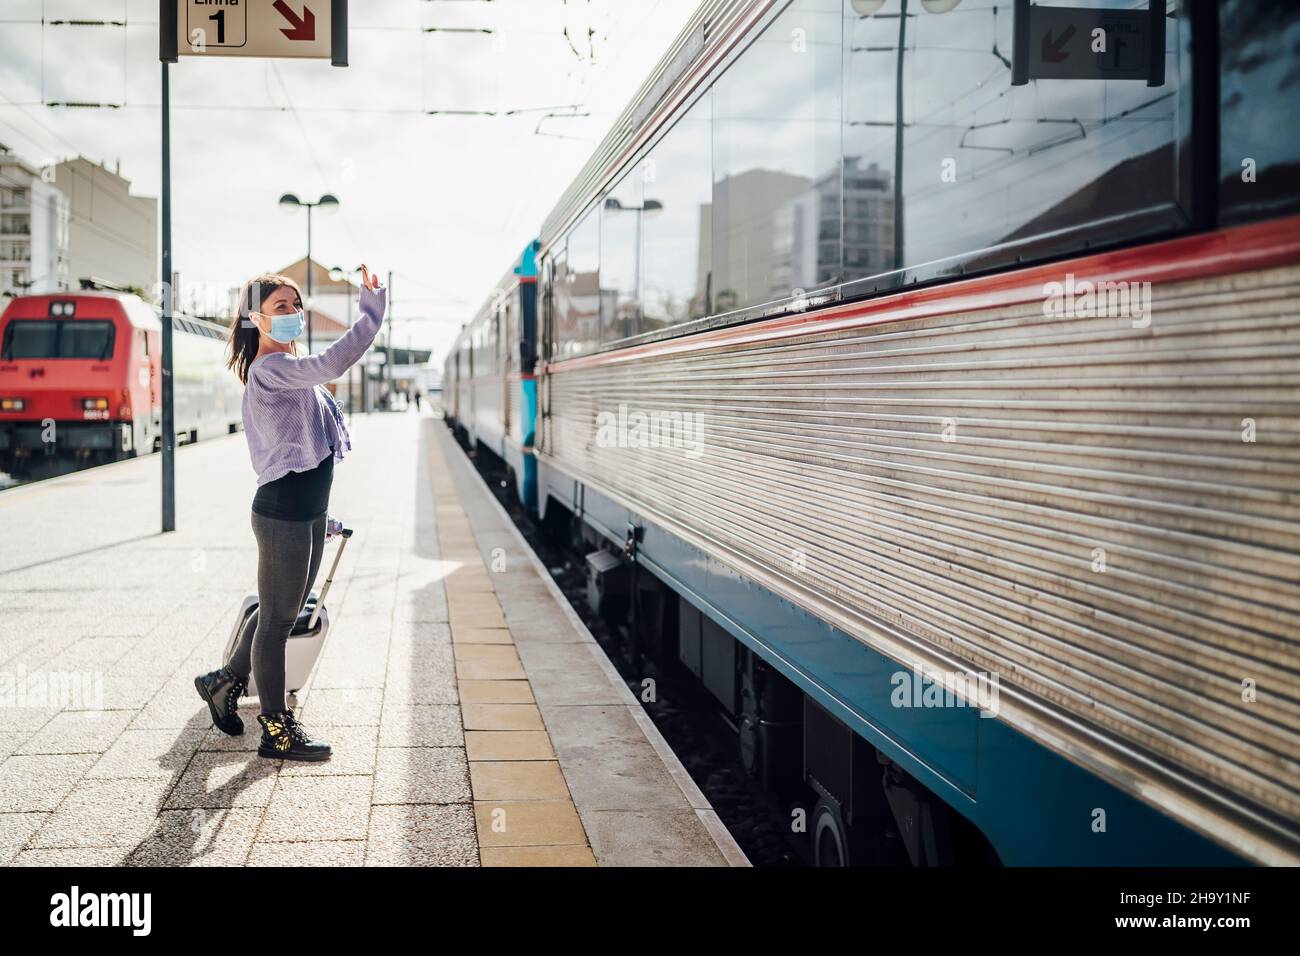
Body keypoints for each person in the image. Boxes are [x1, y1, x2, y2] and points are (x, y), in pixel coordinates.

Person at [194, 266, 386, 761]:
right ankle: (276, 730)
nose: (294, 315)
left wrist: (319, 516)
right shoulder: (270, 370)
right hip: (281, 515)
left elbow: (304, 451)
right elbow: (334, 363)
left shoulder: (286, 365)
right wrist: (371, 314)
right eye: (282, 307)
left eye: (296, 306)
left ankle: (225, 680)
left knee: (277, 608)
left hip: (303, 515)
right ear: (255, 318)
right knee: (278, 621)